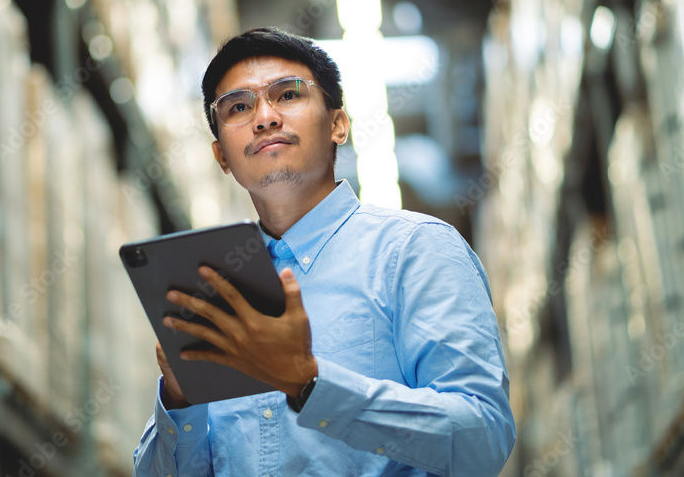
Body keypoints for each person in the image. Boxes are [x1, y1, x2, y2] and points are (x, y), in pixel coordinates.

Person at [133, 27, 515, 475]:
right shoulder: (217, 288)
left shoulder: (416, 251)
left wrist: (310, 383)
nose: (265, 118)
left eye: (288, 95)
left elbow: (483, 437)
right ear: (221, 156)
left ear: (338, 124)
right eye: (239, 106)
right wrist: (181, 399)